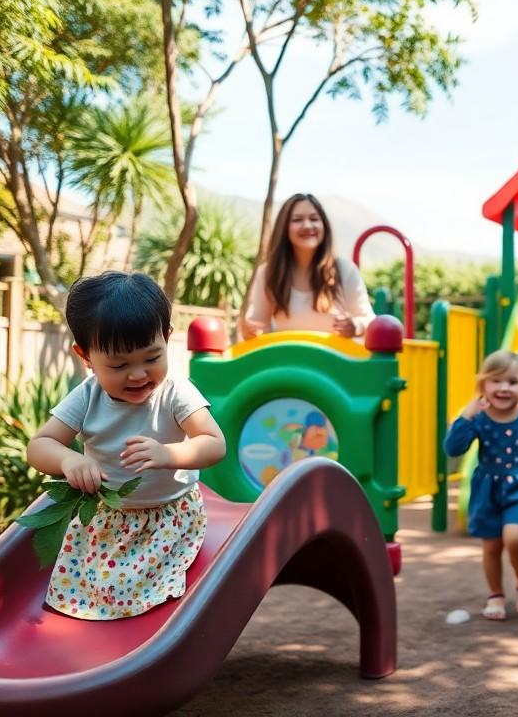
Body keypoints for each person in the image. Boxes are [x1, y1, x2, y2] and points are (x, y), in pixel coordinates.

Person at [26, 272, 227, 620]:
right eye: (119, 365)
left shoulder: (174, 391)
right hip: (109, 519)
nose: (138, 375)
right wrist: (69, 461)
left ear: (167, 338)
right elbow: (39, 445)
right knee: (94, 591)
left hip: (168, 516)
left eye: (151, 358)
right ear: (85, 355)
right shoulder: (87, 397)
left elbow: (214, 443)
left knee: (141, 594)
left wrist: (168, 454)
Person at [443, 350, 518, 620]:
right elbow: (453, 448)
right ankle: (495, 593)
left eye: (513, 381)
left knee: (515, 536)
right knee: (491, 547)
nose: (504, 388)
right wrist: (466, 417)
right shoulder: (479, 417)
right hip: (488, 489)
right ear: (483, 384)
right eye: (496, 381)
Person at [240, 193, 373, 340]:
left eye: (314, 219)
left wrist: (355, 326)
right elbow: (258, 326)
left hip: (336, 361)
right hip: (289, 361)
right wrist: (249, 331)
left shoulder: (345, 270)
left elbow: (370, 321)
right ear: (284, 228)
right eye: (297, 220)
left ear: (324, 225)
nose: (307, 225)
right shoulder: (268, 273)